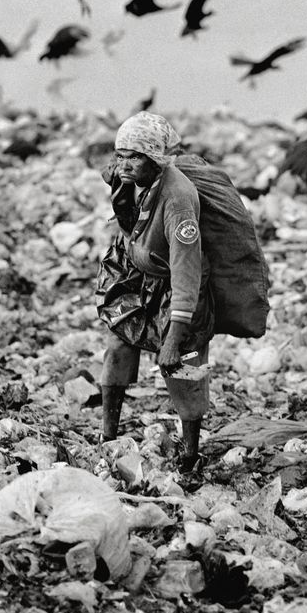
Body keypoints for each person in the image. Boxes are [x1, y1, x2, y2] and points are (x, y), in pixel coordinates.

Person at [96, 111, 214, 472]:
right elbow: (115, 175)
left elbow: (186, 272)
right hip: (138, 276)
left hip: (177, 288)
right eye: (122, 155)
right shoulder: (131, 177)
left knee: (183, 368)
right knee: (118, 345)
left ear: (157, 160)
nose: (125, 165)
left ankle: (191, 452)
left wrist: (174, 337)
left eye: (135, 157)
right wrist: (117, 172)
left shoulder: (178, 202)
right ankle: (107, 434)